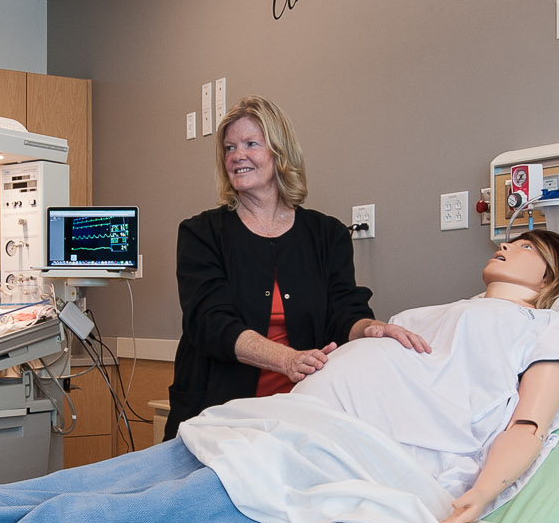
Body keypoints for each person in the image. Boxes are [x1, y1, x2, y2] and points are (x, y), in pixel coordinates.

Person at [287, 228, 559, 523]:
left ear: (549, 277)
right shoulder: (433, 311)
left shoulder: (543, 325)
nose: (503, 247)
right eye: (510, 244)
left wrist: (483, 491)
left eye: (525, 247)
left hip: (392, 439)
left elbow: (529, 427)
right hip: (310, 412)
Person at [165, 96, 427, 438]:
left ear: (279, 152)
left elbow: (344, 312)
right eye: (229, 148)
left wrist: (371, 330)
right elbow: (210, 322)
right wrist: (286, 360)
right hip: (219, 415)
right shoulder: (201, 233)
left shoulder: (326, 234)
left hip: (301, 417)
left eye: (250, 144)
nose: (236, 156)